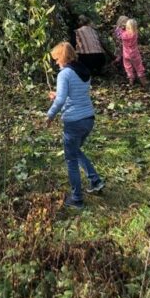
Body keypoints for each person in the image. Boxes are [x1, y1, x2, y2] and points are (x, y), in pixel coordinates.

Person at [46, 42, 104, 209]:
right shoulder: (83, 71)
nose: (56, 62)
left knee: (71, 159)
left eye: (56, 59)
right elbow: (75, 94)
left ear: (62, 57)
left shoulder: (64, 74)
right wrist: (58, 94)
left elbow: (61, 100)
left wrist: (50, 115)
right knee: (75, 150)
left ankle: (77, 198)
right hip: (88, 119)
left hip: (74, 121)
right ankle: (95, 180)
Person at [119, 19, 148, 87]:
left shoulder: (123, 34)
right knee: (139, 67)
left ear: (127, 26)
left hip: (126, 55)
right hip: (135, 54)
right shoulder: (135, 34)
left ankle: (131, 82)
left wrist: (121, 28)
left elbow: (119, 33)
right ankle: (144, 83)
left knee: (128, 67)